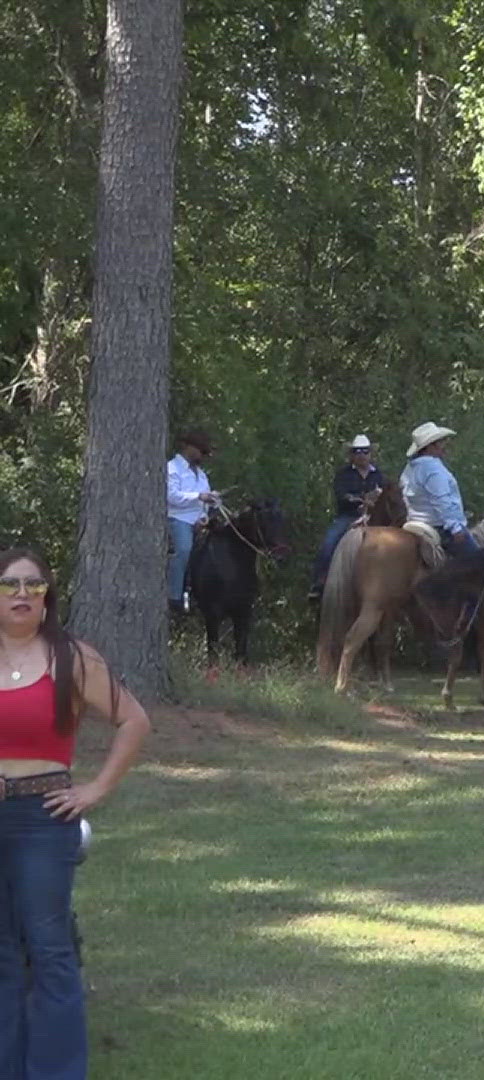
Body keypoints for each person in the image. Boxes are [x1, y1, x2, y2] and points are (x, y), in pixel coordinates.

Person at [0, 548, 153, 1079]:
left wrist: (96, 789)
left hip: (43, 817)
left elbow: (134, 721)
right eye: (9, 584)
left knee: (49, 948)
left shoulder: (71, 657)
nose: (21, 594)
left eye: (33, 584)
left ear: (48, 596)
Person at [309, 435, 385, 601]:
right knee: (328, 543)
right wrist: (361, 500)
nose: (361, 455)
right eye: (357, 451)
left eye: (365, 451)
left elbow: (385, 494)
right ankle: (319, 582)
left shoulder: (378, 475)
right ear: (352, 455)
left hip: (373, 516)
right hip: (349, 516)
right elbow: (341, 495)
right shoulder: (343, 474)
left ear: (370, 453)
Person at [400, 422, 476, 557]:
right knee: (478, 561)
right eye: (440, 442)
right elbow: (442, 500)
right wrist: (455, 528)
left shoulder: (410, 468)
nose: (444, 445)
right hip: (439, 528)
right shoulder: (433, 469)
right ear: (430, 446)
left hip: (414, 522)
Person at [165, 429, 218, 616]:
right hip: (178, 518)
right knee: (184, 549)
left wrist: (206, 514)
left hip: (199, 522)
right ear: (189, 448)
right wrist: (199, 496)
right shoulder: (172, 469)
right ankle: (174, 595)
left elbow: (205, 501)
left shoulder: (201, 475)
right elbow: (172, 497)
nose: (202, 456)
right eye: (201, 452)